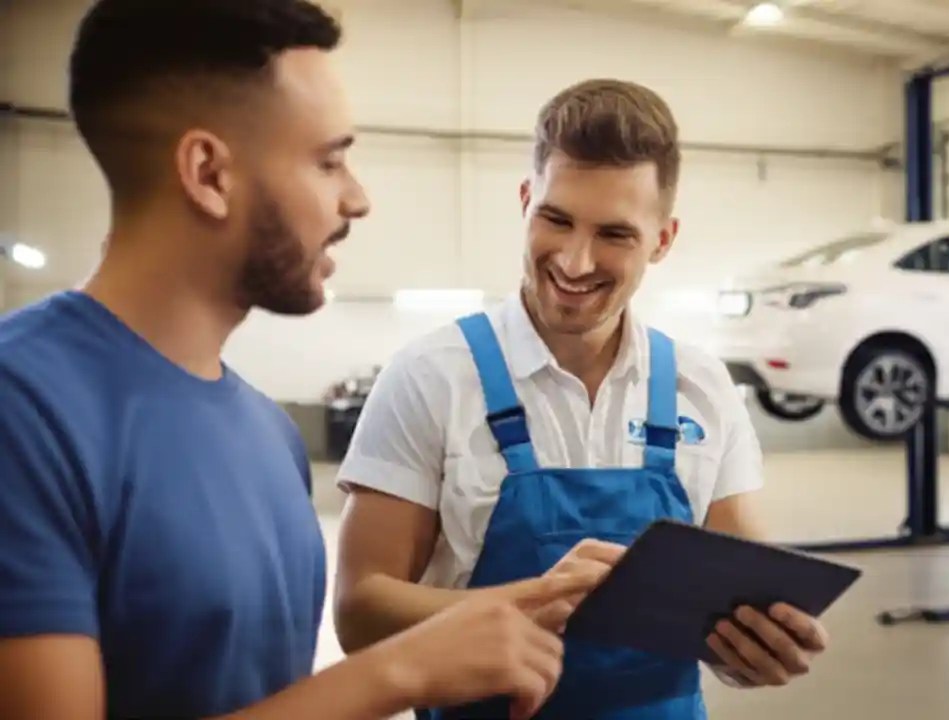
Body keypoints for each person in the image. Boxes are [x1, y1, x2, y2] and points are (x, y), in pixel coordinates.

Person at [0, 1, 605, 718]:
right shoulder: (24, 413)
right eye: (329, 161)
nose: (357, 198)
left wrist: (526, 604)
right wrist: (399, 671)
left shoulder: (268, 433)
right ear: (209, 173)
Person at [333, 78, 831, 719]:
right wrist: (531, 603)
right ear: (525, 201)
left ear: (663, 239)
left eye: (615, 235)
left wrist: (758, 652)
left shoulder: (703, 390)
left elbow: (738, 611)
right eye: (556, 219)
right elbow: (359, 614)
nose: (574, 261)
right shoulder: (429, 377)